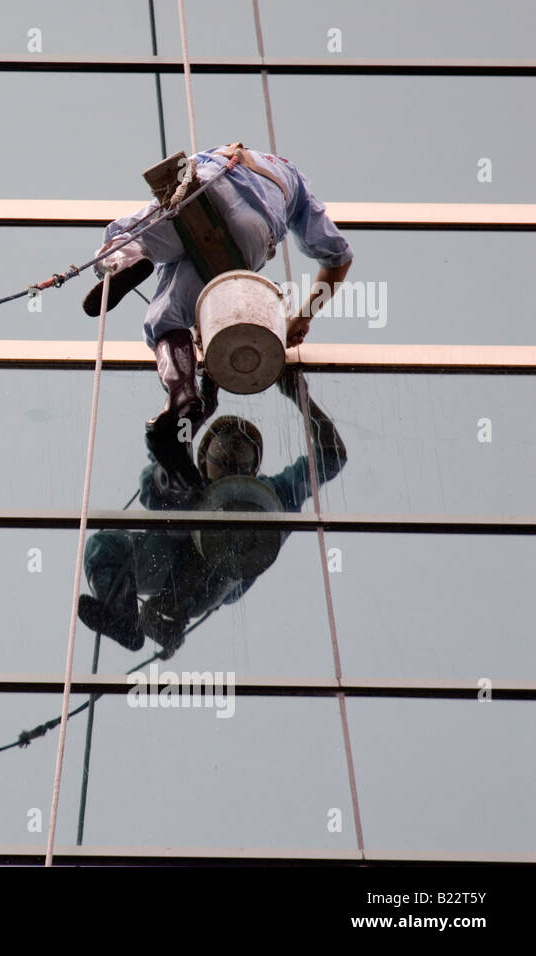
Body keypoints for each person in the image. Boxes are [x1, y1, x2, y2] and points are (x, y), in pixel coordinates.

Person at [83, 143, 353, 438]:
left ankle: (125, 263)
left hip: (205, 195)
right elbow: (339, 256)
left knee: (123, 236)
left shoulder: (221, 152)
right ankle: (182, 397)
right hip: (253, 237)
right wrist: (302, 318)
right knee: (164, 318)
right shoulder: (295, 182)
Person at [76, 367, 346, 657]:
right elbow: (161, 463)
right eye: (225, 451)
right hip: (171, 561)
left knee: (217, 537)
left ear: (254, 467)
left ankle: (165, 611)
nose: (233, 461)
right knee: (102, 547)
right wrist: (198, 410)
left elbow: (331, 456)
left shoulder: (270, 494)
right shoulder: (191, 486)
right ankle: (123, 619)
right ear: (204, 460)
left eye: (243, 454)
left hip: (221, 573)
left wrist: (300, 397)